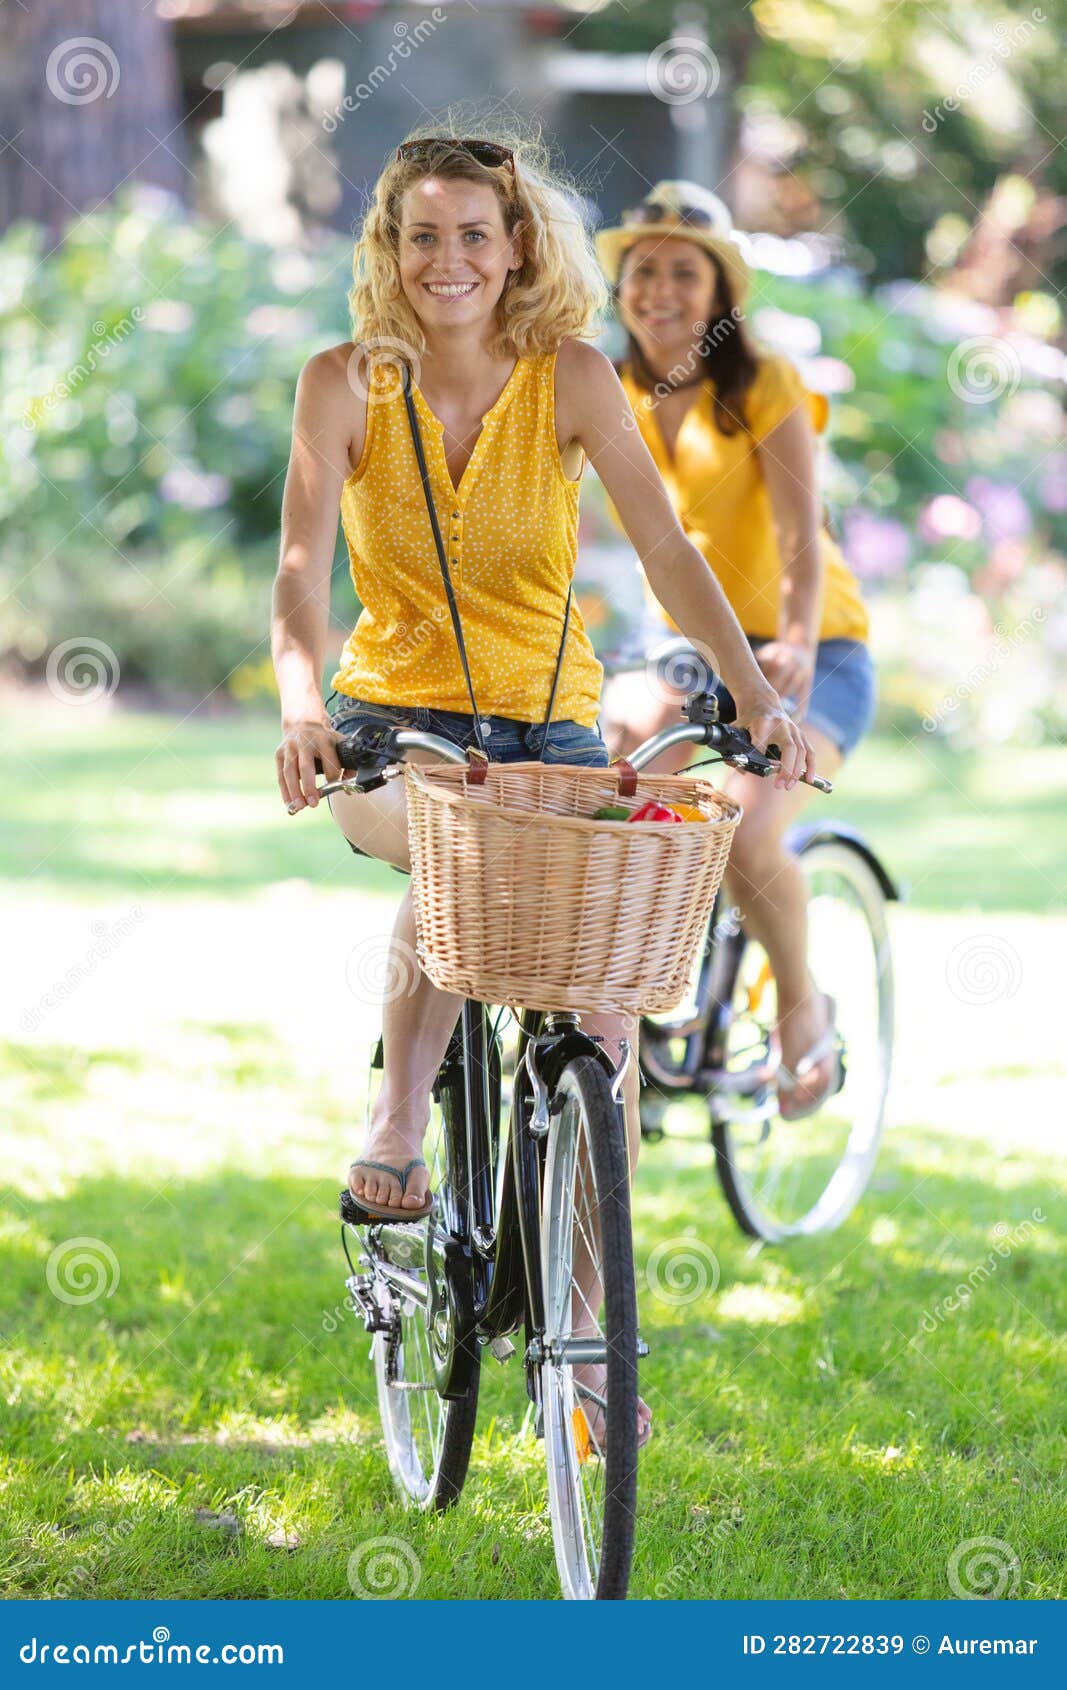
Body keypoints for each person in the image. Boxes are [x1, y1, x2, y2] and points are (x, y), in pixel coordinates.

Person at [271, 130, 813, 1446]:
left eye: (474, 233)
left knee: (602, 1020)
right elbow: (297, 568)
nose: (447, 259)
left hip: (548, 727)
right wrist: (298, 709)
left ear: (515, 247)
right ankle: (398, 1118)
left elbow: (664, 546)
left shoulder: (568, 374)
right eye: (422, 235)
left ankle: (583, 1345)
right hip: (389, 726)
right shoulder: (342, 381)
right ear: (390, 249)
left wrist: (752, 691)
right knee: (455, 840)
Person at [595, 181, 876, 1120]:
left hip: (816, 645)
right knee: (617, 796)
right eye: (643, 271)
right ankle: (628, 1018)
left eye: (685, 272)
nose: (660, 290)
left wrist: (792, 643)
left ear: (720, 294)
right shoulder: (610, 387)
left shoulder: (765, 384)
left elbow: (801, 533)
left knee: (749, 834)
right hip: (693, 648)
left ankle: (802, 1012)